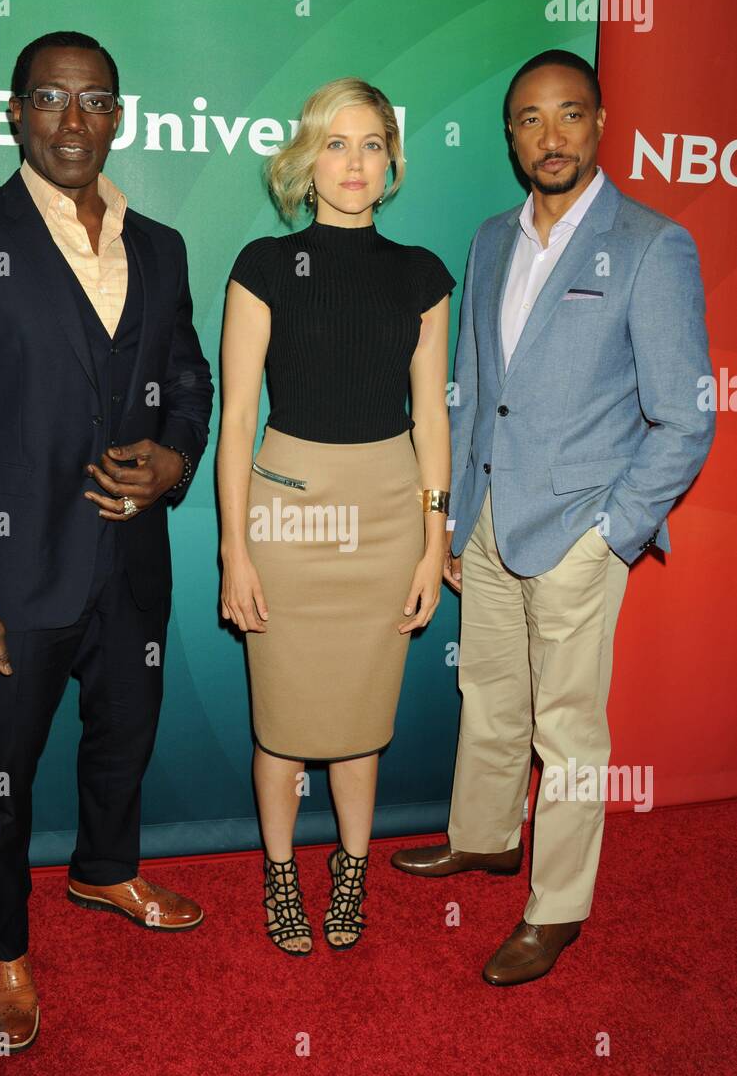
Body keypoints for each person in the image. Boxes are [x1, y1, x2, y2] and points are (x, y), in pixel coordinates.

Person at [0, 31, 214, 1049]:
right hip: (9, 577)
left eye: (94, 103)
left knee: (123, 738)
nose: (72, 123)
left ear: (119, 117)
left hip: (133, 566)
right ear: (14, 113)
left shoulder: (159, 245)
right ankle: (3, 949)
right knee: (2, 775)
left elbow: (189, 379)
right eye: (49, 99)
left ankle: (105, 870)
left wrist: (172, 461)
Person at [392, 49, 715, 984]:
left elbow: (685, 413)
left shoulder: (653, 244)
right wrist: (452, 522)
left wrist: (612, 531)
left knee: (567, 729)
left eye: (568, 115)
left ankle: (557, 906)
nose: (550, 136)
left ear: (601, 122)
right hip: (490, 518)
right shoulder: (490, 238)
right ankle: (486, 838)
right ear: (509, 136)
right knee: (487, 696)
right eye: (529, 119)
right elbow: (469, 392)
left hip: (576, 527)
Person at [218, 77, 454, 955]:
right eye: (335, 142)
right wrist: (233, 549)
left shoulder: (423, 275)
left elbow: (432, 417)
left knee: (362, 715)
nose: (354, 162)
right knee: (282, 718)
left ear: (392, 162)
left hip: (390, 511)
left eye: (371, 144)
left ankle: (351, 868)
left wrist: (434, 541)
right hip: (287, 511)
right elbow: (237, 418)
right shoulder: (265, 266)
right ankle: (281, 872)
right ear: (306, 158)